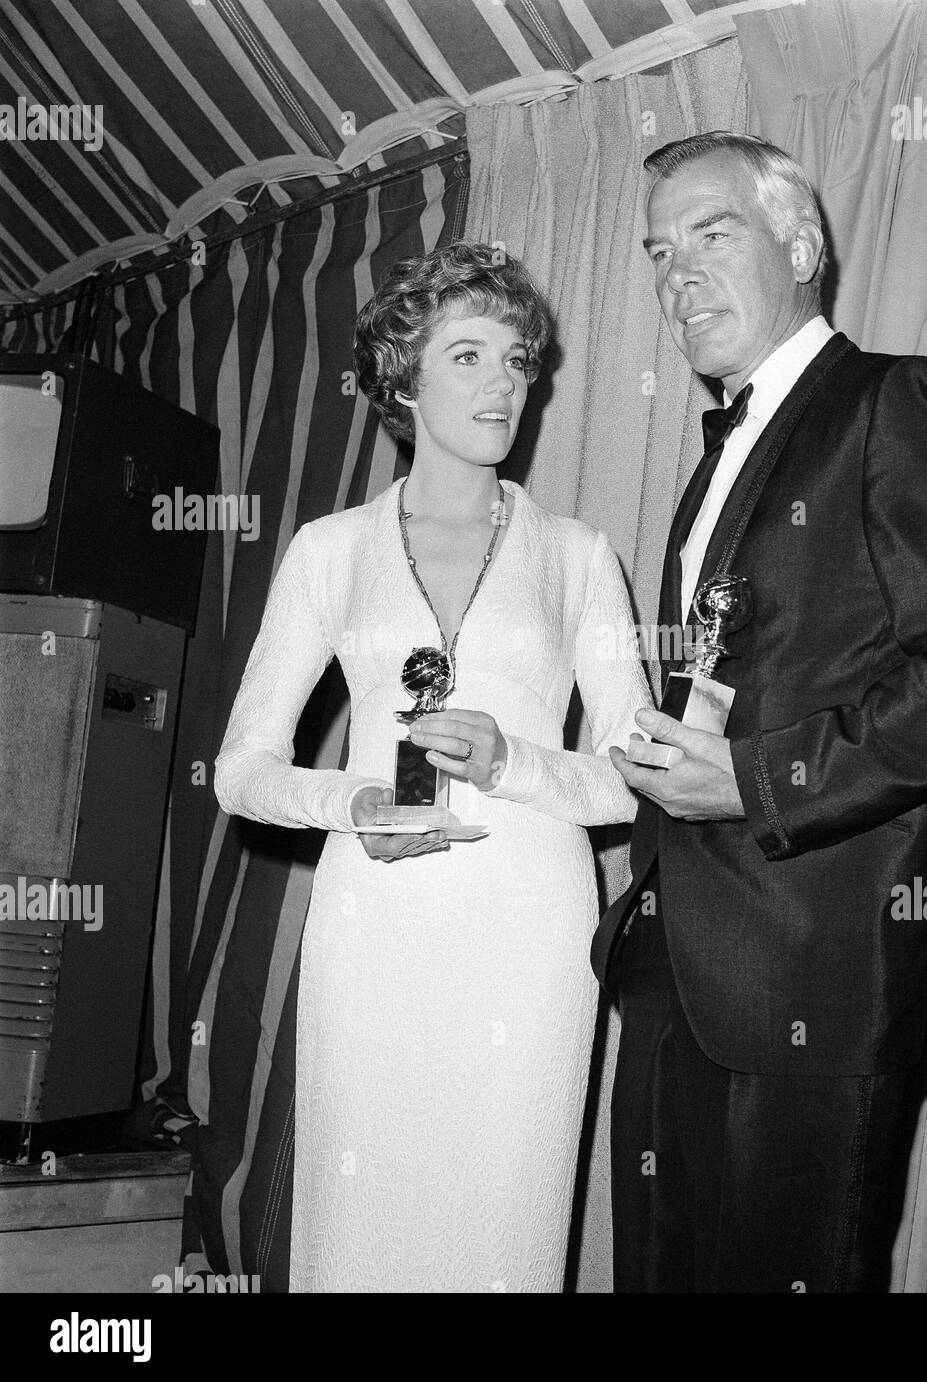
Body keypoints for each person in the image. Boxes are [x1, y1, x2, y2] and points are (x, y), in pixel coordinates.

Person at [592, 132, 927, 1292]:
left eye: (713, 233)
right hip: (670, 971)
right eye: (660, 251)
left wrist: (759, 780)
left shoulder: (897, 401)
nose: (676, 273)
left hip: (811, 979)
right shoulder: (717, 462)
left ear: (800, 244)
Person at [215, 242, 651, 1292]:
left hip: (532, 924)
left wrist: (511, 762)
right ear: (400, 381)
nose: (503, 382)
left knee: (504, 1208)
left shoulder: (579, 555)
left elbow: (624, 777)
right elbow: (240, 770)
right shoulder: (329, 549)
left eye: (516, 359)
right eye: (469, 356)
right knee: (362, 1208)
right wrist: (350, 798)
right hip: (379, 917)